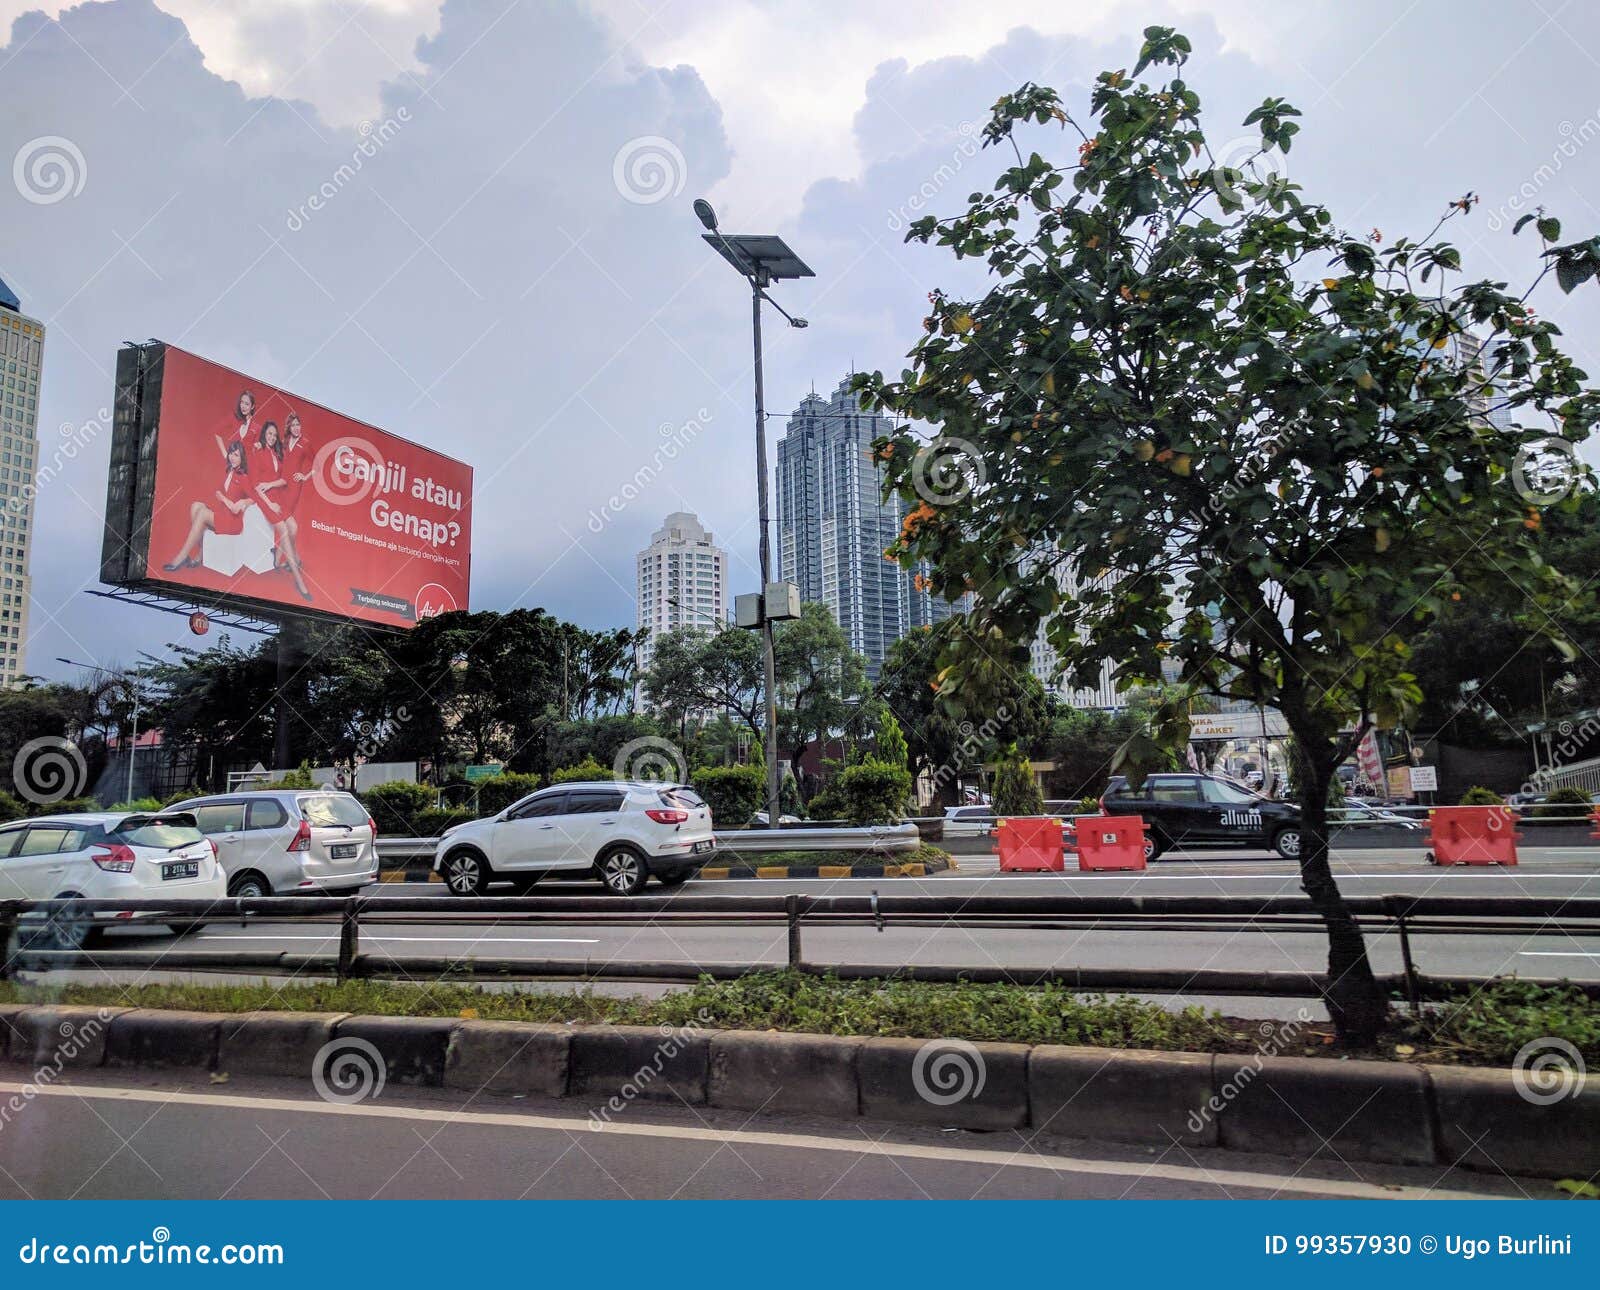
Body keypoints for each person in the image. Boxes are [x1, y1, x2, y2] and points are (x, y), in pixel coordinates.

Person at [162, 436, 271, 575]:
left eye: (236, 455)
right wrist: (221, 495)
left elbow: (255, 497)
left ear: (242, 459)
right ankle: (201, 553)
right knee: (196, 505)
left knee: (202, 514)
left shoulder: (242, 477)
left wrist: (241, 502)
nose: (232, 457)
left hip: (232, 522)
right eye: (231, 453)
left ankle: (182, 557)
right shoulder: (230, 470)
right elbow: (222, 488)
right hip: (223, 515)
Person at [250, 418, 312, 602]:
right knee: (284, 530)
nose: (271, 437)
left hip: (277, 496)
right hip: (264, 499)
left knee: (294, 528)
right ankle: (299, 581)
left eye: (274, 435)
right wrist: (269, 504)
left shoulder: (277, 454)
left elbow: (284, 480)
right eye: (269, 433)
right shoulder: (258, 452)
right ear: (264, 435)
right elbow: (255, 485)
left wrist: (270, 484)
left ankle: (278, 560)